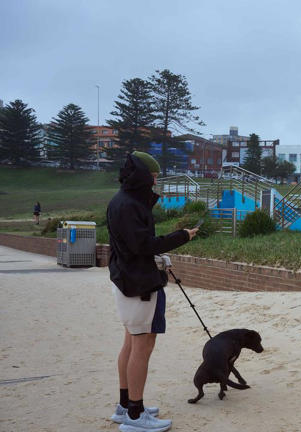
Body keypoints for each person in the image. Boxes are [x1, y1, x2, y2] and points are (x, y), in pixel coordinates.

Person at [107, 151, 198, 432]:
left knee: (131, 344)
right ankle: (135, 416)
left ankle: (127, 406)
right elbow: (143, 245)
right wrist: (182, 236)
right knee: (141, 347)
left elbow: (135, 246)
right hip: (138, 286)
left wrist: (158, 258)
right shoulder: (128, 205)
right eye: (154, 177)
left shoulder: (125, 201)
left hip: (131, 281)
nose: (156, 181)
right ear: (142, 176)